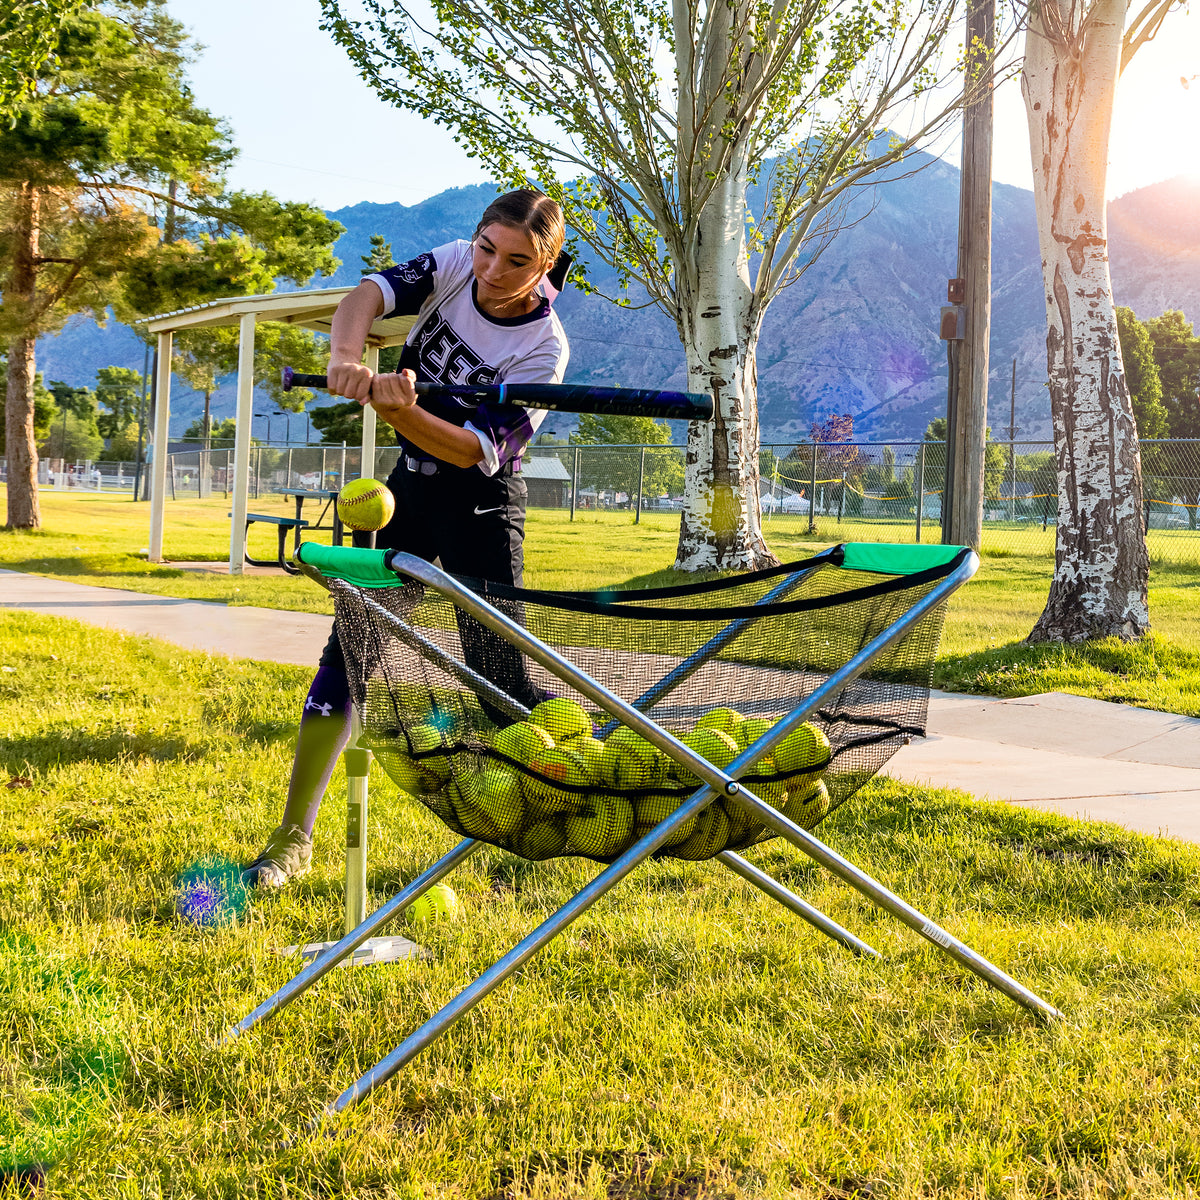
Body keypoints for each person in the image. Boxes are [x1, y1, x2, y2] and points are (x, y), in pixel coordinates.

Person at [241, 189, 571, 888]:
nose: (492, 271)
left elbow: (466, 451)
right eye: (487, 249)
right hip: (407, 494)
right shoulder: (453, 265)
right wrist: (345, 353)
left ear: (546, 265)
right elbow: (368, 294)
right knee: (351, 649)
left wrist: (399, 407)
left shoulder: (545, 348)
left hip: (481, 506)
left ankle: (569, 801)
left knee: (499, 677)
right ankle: (293, 838)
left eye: (518, 262)